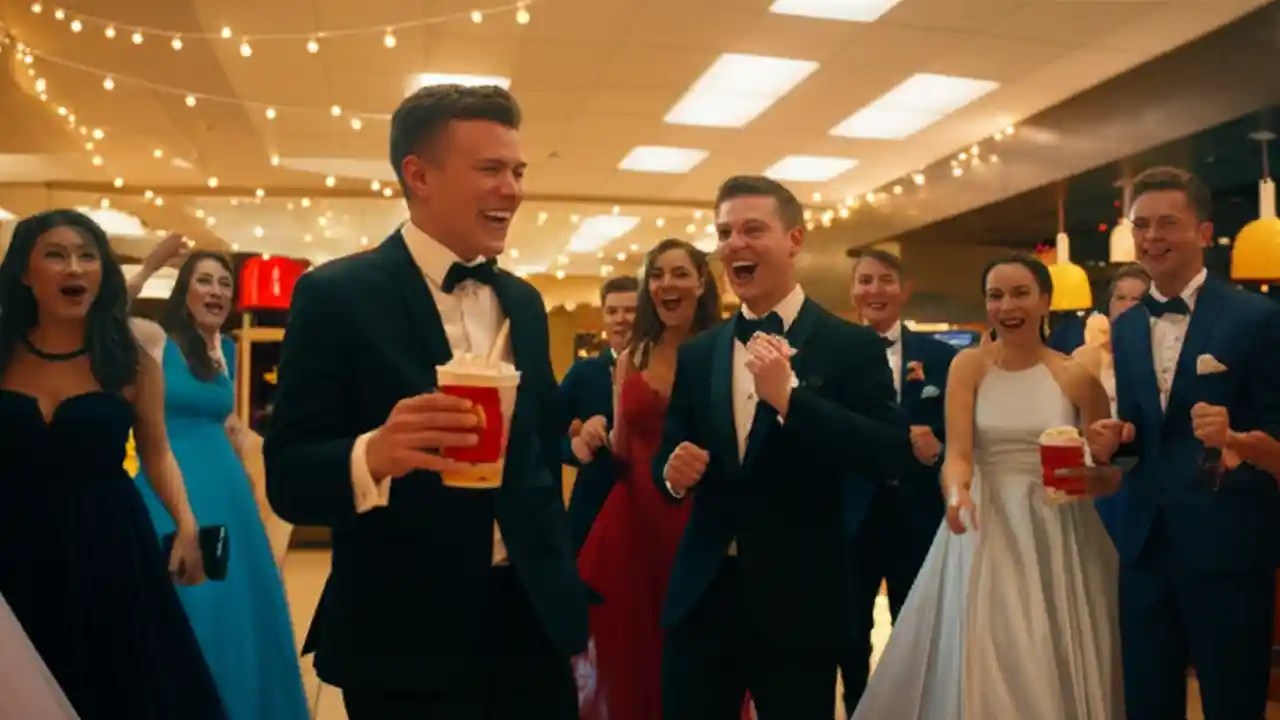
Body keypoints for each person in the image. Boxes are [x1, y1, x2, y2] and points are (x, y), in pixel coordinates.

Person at [264, 84, 588, 719]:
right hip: (402, 635)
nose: (514, 189)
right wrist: (373, 455)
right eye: (491, 169)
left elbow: (535, 455)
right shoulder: (336, 296)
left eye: (517, 171)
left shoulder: (523, 302)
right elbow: (289, 477)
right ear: (419, 175)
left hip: (531, 623)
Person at [656, 175, 907, 718]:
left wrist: (793, 402)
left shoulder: (851, 345)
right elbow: (673, 452)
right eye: (724, 233)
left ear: (794, 239)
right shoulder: (701, 353)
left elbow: (888, 452)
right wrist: (673, 475)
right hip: (704, 596)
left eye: (752, 229)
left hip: (800, 603)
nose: (734, 244)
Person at [851, 253, 1125, 720]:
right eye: (995, 296)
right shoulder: (968, 366)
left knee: (1046, 644)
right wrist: (956, 493)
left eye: (1020, 293)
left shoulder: (1075, 376)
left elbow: (1106, 470)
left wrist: (1095, 473)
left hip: (1057, 529)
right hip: (985, 522)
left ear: (1045, 301)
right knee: (990, 645)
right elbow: (957, 453)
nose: (1006, 306)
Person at [0, 209, 225, 719]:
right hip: (10, 537)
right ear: (24, 273)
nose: (74, 268)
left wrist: (186, 523)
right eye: (55, 255)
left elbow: (156, 448)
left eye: (87, 256)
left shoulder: (129, 358)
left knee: (119, 685)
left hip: (106, 543)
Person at [1089, 166, 1280, 720]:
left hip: (1229, 545)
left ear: (1203, 232)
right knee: (1147, 701)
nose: (1152, 237)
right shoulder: (1125, 328)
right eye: (1141, 225)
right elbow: (1142, 443)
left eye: (1168, 223)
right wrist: (1114, 440)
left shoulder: (1257, 318)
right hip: (1145, 545)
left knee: (1232, 700)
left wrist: (1236, 437)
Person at [131, 252, 309, 720]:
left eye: (224, 283)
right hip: (170, 486)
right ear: (183, 291)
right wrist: (151, 265)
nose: (216, 291)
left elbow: (227, 420)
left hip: (228, 493)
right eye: (203, 281)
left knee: (238, 609)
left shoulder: (225, 350)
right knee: (189, 605)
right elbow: (102, 319)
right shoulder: (153, 339)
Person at [573, 239, 732, 720]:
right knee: (630, 641)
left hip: (697, 515)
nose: (667, 284)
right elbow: (621, 443)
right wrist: (590, 432)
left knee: (696, 640)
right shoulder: (632, 358)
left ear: (702, 283)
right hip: (632, 520)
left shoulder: (725, 352)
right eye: (657, 275)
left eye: (680, 273)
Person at [841, 249, 957, 714]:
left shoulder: (943, 359)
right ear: (853, 291)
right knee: (849, 633)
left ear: (904, 290)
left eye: (885, 280)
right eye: (865, 280)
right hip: (851, 512)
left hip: (918, 513)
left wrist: (941, 450)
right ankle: (855, 708)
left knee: (918, 625)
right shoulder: (830, 354)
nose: (875, 290)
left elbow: (966, 435)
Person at [1072, 263, 1150, 544]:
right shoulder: (1086, 357)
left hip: (1141, 467)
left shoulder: (1157, 357)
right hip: (1096, 465)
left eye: (1137, 299)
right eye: (1121, 298)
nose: (1128, 306)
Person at [563, 275, 639, 554]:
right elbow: (543, 430)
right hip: (592, 510)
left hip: (648, 506)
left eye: (630, 310)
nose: (621, 319)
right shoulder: (583, 373)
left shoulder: (664, 371)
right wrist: (573, 446)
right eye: (612, 311)